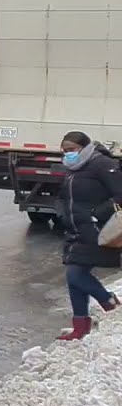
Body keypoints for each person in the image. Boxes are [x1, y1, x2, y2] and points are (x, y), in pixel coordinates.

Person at [55, 131, 122, 341]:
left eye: (72, 150)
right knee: (73, 276)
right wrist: (62, 212)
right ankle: (80, 326)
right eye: (65, 151)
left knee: (75, 274)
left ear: (85, 148)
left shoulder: (101, 164)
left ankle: (109, 302)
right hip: (76, 229)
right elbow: (68, 196)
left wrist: (96, 214)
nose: (68, 155)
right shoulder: (73, 168)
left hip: (98, 230)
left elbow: (119, 194)